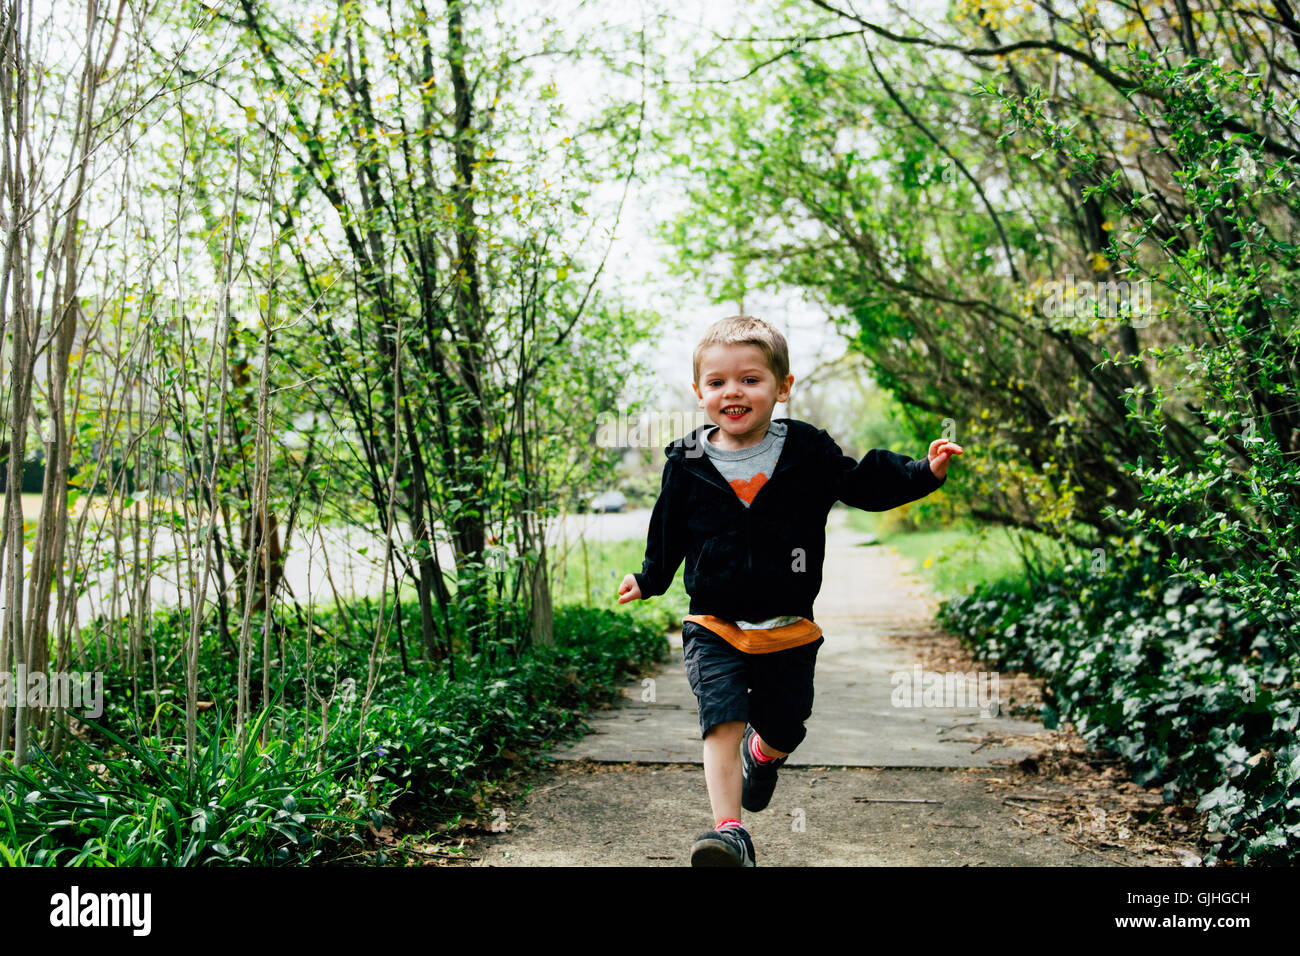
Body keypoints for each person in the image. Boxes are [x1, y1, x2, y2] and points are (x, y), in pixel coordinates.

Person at [617, 314, 963, 866]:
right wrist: (650, 576)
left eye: (750, 380)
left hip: (788, 625)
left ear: (782, 387)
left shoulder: (807, 450)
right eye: (718, 382)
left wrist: (923, 472)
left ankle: (765, 753)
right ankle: (728, 832)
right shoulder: (686, 462)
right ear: (699, 391)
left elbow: (860, 483)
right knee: (720, 719)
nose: (733, 391)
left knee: (786, 722)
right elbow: (669, 527)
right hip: (713, 622)